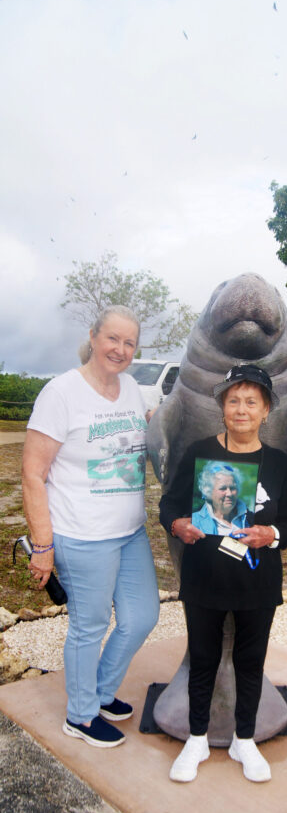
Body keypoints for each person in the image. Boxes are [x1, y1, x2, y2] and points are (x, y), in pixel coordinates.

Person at [22, 305, 160, 748]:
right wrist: (42, 545)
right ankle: (80, 716)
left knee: (141, 617)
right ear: (94, 336)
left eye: (129, 343)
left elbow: (152, 436)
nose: (120, 350)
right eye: (112, 339)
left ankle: (99, 692)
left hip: (130, 531)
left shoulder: (135, 392)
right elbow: (32, 473)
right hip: (81, 535)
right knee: (90, 625)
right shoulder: (61, 393)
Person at [159, 364, 287, 783]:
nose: (241, 409)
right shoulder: (200, 453)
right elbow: (169, 504)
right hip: (204, 578)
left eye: (251, 402)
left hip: (257, 582)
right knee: (202, 659)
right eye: (233, 400)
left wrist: (271, 533)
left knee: (250, 661)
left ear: (266, 410)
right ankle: (197, 736)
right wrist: (177, 524)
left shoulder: (276, 462)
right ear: (222, 406)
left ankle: (245, 738)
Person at [191, 462, 254, 535]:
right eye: (223, 488)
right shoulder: (195, 522)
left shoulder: (251, 519)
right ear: (208, 491)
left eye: (233, 488)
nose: (229, 493)